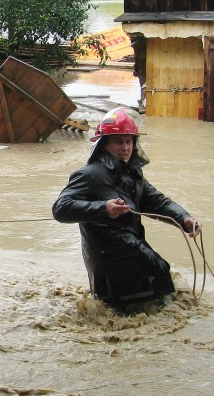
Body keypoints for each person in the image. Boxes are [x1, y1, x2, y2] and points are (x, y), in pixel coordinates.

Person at [52, 107, 201, 309]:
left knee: (159, 282)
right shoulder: (89, 175)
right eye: (118, 142)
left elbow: (157, 202)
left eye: (129, 141)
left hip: (131, 247)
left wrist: (184, 219)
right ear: (104, 144)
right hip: (108, 256)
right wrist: (103, 208)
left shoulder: (133, 173)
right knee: (142, 295)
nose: (125, 148)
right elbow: (61, 208)